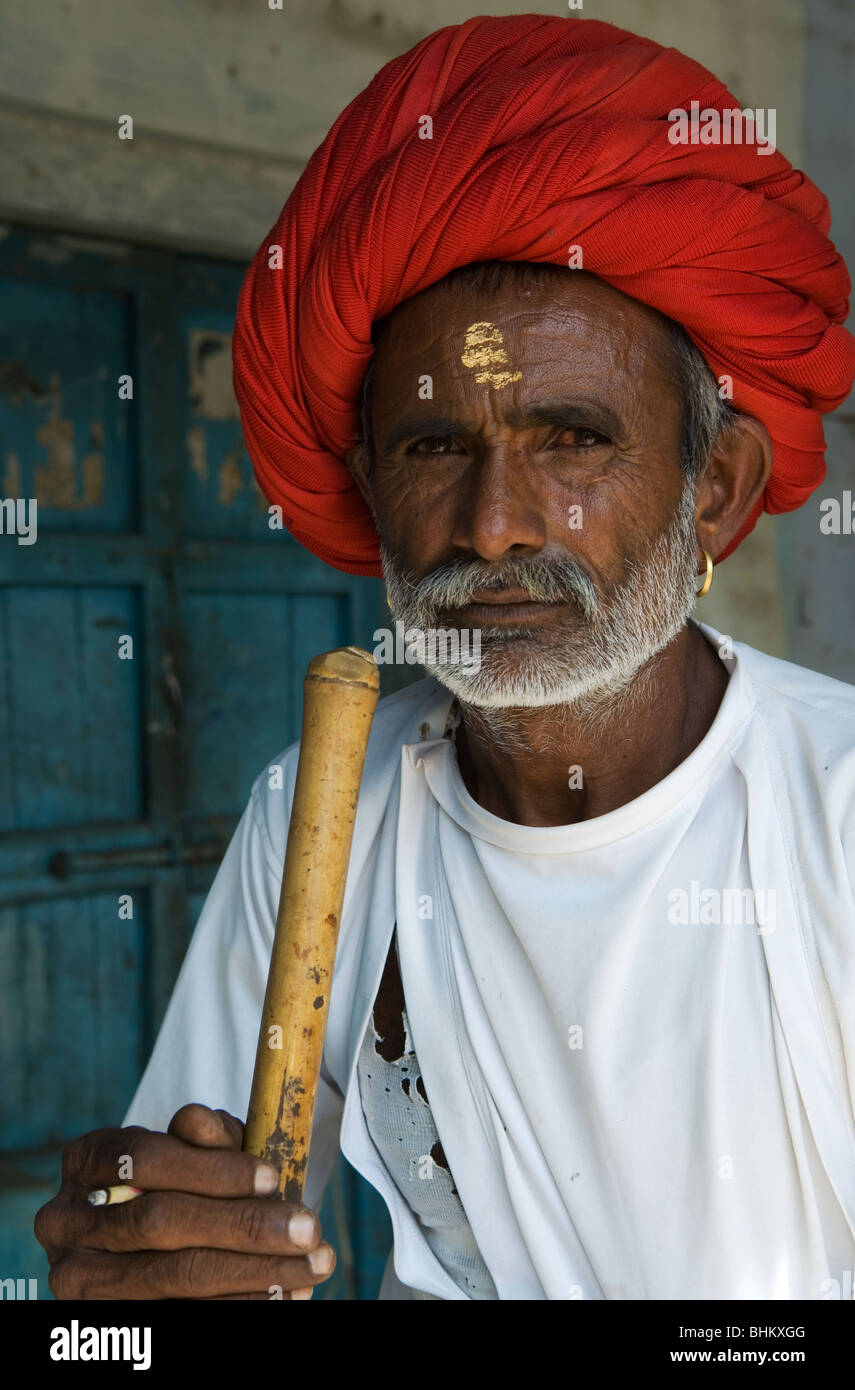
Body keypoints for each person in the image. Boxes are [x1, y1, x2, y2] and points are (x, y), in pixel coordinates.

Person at [35, 14, 855, 1301]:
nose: (493, 525)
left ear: (719, 492)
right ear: (368, 486)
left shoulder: (837, 815)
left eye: (573, 440)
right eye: (431, 449)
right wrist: (117, 1291)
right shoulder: (322, 816)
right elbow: (181, 1245)